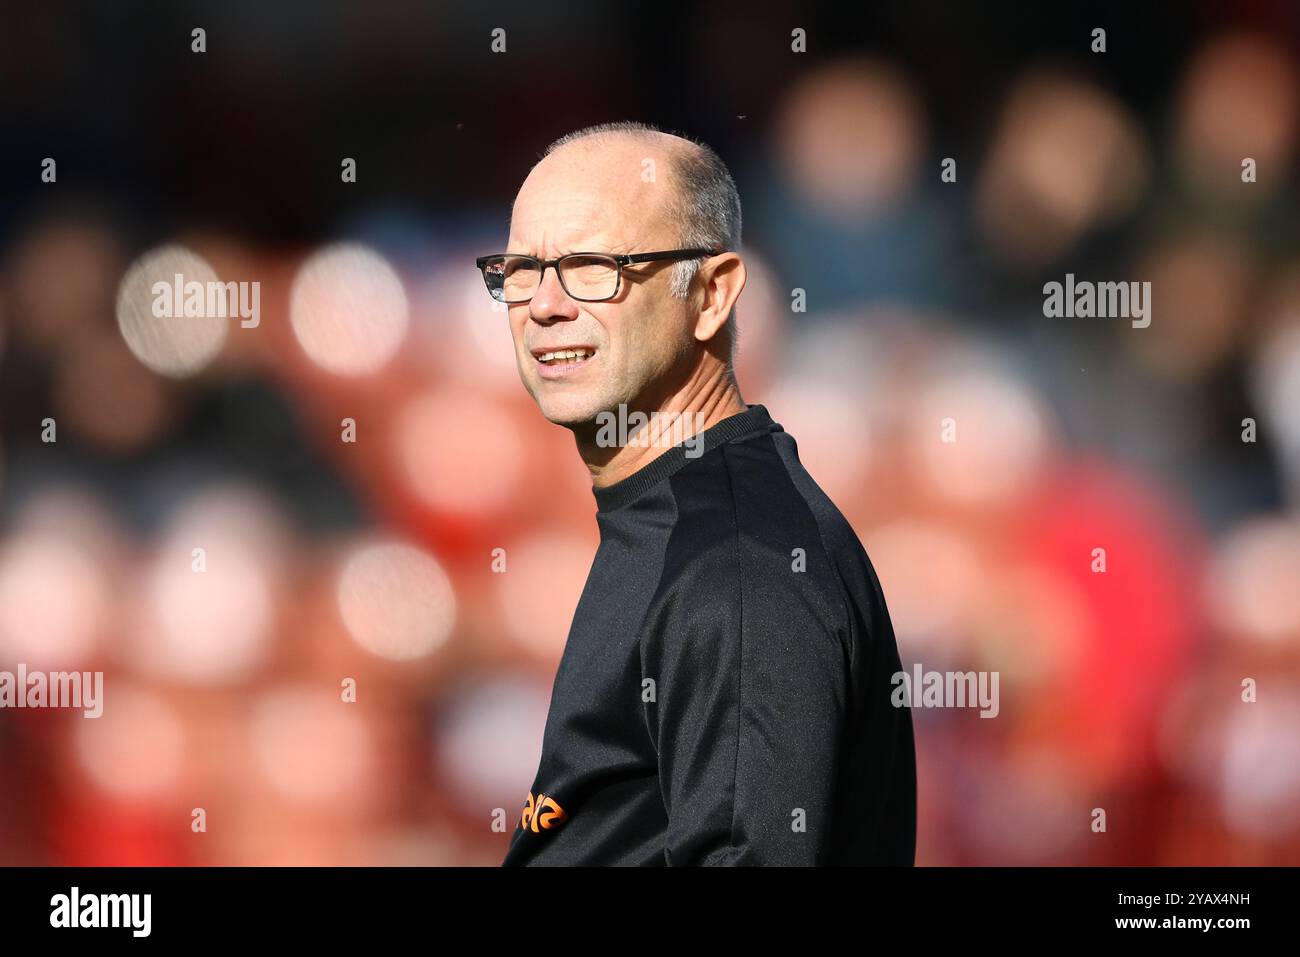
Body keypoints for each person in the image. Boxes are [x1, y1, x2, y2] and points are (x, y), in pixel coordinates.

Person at [479, 120, 915, 865]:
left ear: (711, 295)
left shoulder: (740, 566)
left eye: (593, 266)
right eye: (522, 270)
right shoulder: (673, 518)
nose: (544, 305)